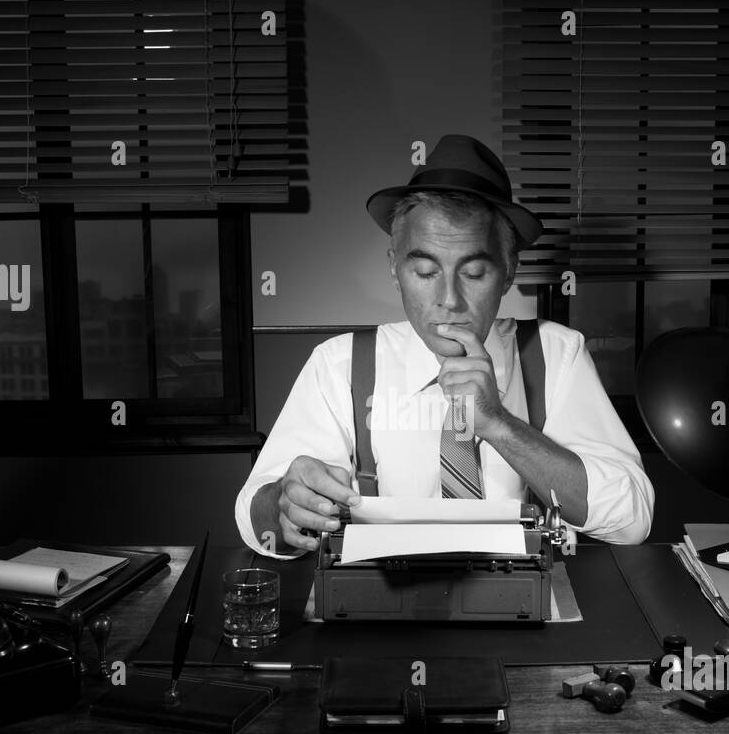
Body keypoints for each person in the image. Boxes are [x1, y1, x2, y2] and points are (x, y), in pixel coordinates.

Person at [235, 134, 654, 557]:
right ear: (395, 270)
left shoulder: (557, 355)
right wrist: (284, 504)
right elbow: (256, 520)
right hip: (382, 614)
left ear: (508, 272)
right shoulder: (338, 364)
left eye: (473, 273)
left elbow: (632, 518)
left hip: (530, 608)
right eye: (424, 271)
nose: (449, 300)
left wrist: (500, 425)